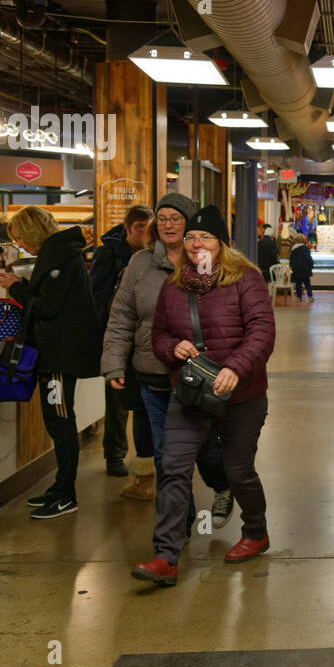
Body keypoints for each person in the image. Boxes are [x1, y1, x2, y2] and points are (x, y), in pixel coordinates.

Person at [133, 205, 276, 585]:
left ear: (221, 244)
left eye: (206, 237)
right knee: (174, 468)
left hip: (241, 394)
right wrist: (171, 349)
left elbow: (262, 331)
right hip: (192, 393)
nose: (197, 244)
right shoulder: (174, 286)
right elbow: (159, 334)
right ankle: (165, 556)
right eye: (192, 237)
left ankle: (255, 532)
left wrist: (235, 368)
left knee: (237, 470)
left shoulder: (246, 280)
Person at [101, 194, 232, 521]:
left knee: (205, 450)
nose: (168, 224)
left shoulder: (207, 259)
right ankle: (183, 524)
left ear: (190, 223)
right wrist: (113, 362)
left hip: (199, 373)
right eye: (163, 218)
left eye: (176, 217)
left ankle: (223, 486)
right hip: (153, 373)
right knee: (166, 455)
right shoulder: (140, 263)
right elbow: (121, 316)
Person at [0, 206, 102, 520]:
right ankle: (60, 489)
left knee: (61, 424)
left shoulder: (59, 258)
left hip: (58, 357)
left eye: (22, 238)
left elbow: (47, 307)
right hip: (59, 354)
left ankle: (66, 494)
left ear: (33, 232)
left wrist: (14, 286)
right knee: (59, 423)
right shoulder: (63, 253)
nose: (21, 245)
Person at [89, 204, 154, 478]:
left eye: (148, 227)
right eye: (139, 227)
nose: (144, 232)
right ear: (127, 229)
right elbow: (97, 296)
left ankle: (146, 459)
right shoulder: (109, 254)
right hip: (120, 338)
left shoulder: (154, 256)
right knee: (117, 402)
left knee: (145, 403)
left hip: (148, 340)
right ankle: (114, 454)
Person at [289, 232, 314, 302]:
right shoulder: (306, 249)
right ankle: (310, 296)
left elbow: (291, 260)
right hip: (305, 269)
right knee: (307, 283)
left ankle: (299, 297)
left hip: (297, 270)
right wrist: (311, 266)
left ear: (295, 241)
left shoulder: (293, 250)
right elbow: (309, 259)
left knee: (298, 284)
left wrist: (292, 267)